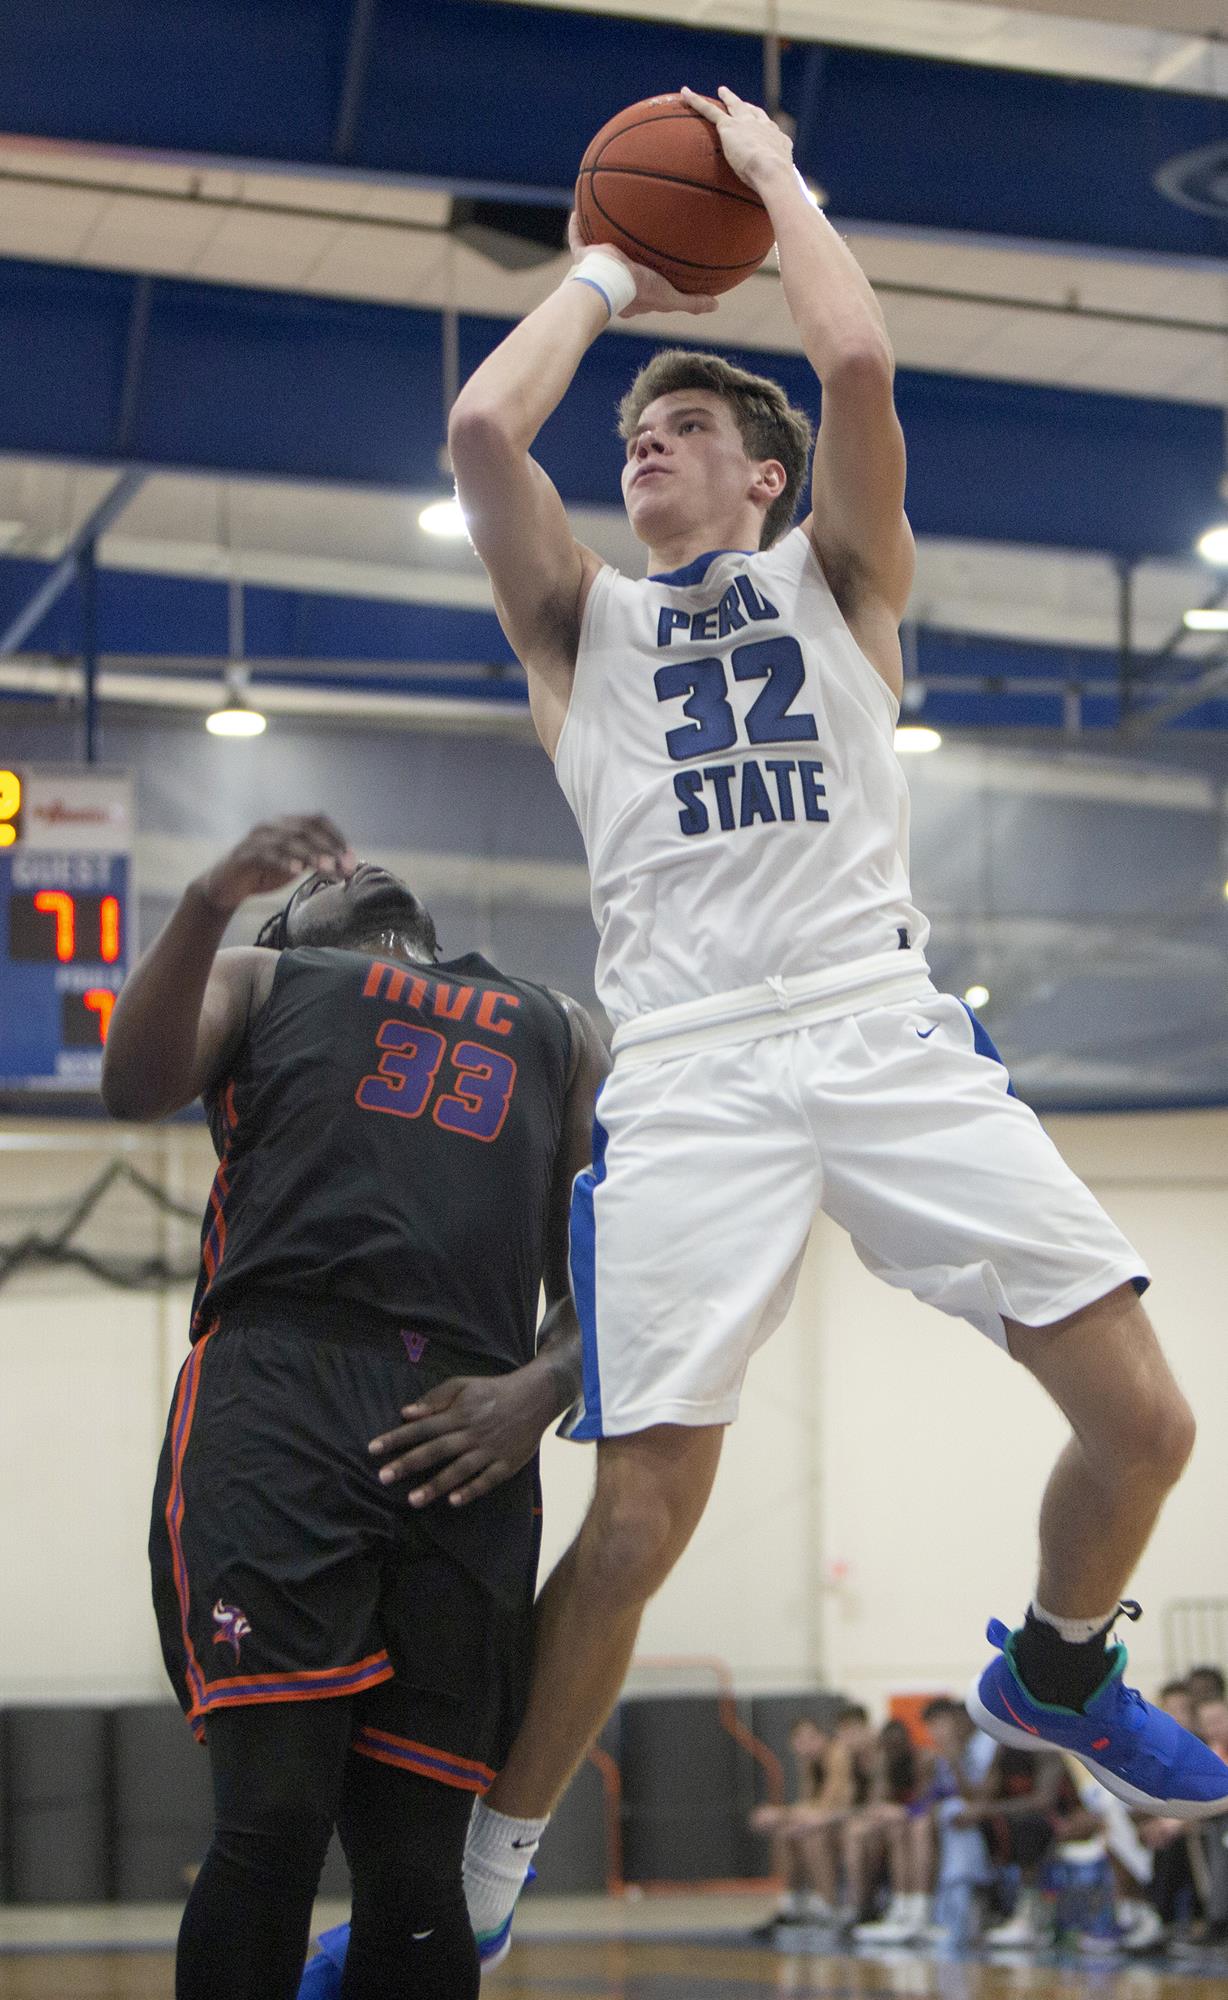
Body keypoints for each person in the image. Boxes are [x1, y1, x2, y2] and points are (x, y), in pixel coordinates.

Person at [444, 80, 1228, 1954]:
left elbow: (857, 354)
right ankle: (463, 1908)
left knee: (1142, 1426)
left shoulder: (842, 582)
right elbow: (484, 423)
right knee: (635, 1528)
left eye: (685, 426)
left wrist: (776, 184)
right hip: (696, 1065)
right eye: (634, 431)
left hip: (876, 1022)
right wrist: (609, 280)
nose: (645, 442)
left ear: (762, 479)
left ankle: (1051, 1669)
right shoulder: (580, 633)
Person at [101, 816, 608, 2000]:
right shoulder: (265, 973)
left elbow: (620, 1261)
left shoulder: (560, 1023)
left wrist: (545, 1387)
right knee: (272, 1820)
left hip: (474, 1422)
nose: (361, 862)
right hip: (283, 1393)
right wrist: (207, 896)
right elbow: (131, 1084)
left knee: (418, 1868)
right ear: (291, 924)